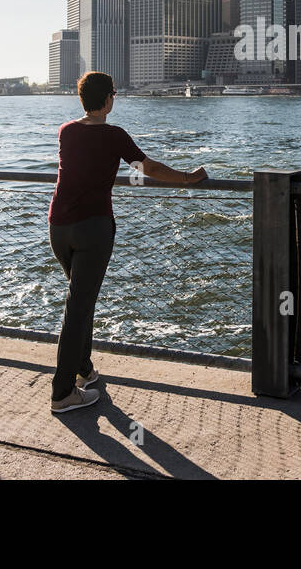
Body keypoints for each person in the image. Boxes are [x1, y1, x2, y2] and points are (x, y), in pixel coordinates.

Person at [46, 71, 207, 412]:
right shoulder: (114, 136)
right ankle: (62, 393)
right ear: (108, 100)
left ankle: (84, 369)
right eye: (113, 95)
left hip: (59, 227)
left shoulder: (66, 131)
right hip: (93, 229)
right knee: (77, 308)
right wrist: (188, 178)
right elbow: (148, 168)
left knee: (81, 298)